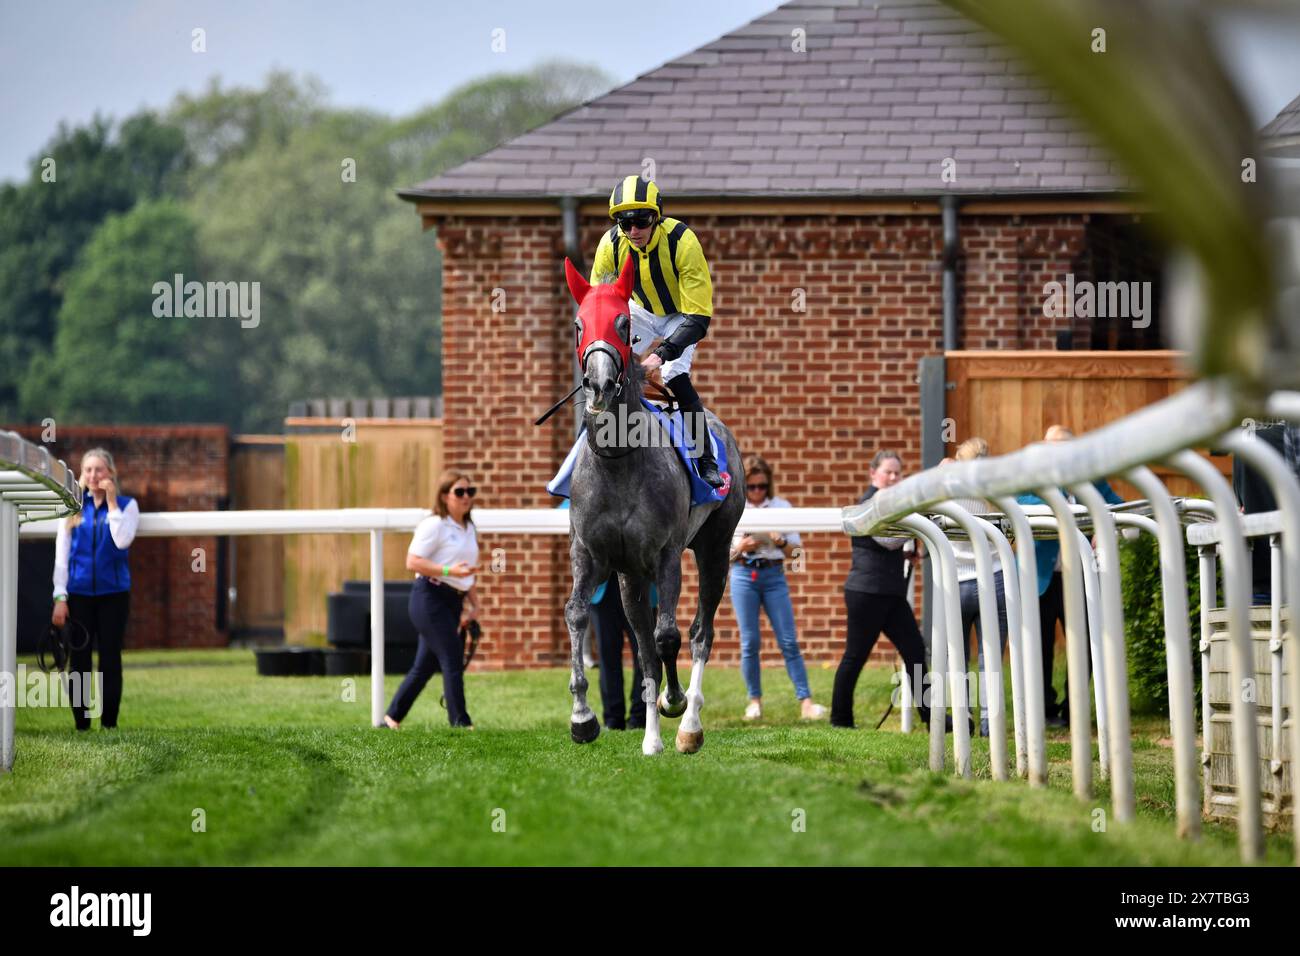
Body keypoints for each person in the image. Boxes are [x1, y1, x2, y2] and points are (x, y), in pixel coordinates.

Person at [586, 175, 723, 488]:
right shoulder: (610, 245)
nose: (634, 231)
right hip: (640, 311)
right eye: (625, 223)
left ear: (657, 217)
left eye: (642, 221)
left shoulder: (683, 242)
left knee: (674, 375)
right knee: (607, 366)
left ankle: (705, 459)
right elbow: (599, 305)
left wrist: (658, 356)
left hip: (682, 314)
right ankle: (594, 444)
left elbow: (698, 319)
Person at [1015, 425, 1122, 727]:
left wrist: (1104, 526)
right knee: (1039, 644)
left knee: (1085, 642)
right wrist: (1058, 503)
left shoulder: (1090, 476)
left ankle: (1074, 707)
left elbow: (1116, 504)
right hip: (1039, 574)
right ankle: (1044, 709)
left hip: (1080, 575)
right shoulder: (1031, 475)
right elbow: (1018, 502)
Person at [831, 450, 935, 730]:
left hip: (890, 594)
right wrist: (921, 527)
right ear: (873, 473)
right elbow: (887, 540)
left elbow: (890, 546)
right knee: (855, 656)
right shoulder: (869, 502)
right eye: (888, 471)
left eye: (897, 473)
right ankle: (840, 720)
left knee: (915, 651)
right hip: (867, 593)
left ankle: (931, 717)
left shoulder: (890, 503)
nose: (893, 477)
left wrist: (907, 553)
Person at [727, 454, 826, 721]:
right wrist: (741, 547)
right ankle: (754, 702)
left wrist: (780, 542)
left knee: (788, 640)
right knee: (750, 642)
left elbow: (797, 553)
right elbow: (722, 557)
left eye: (761, 486)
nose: (757, 492)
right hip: (743, 574)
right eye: (751, 487)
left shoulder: (782, 506)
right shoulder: (735, 506)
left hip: (773, 575)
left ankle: (806, 702)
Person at [384, 470, 480, 729]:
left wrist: (475, 604)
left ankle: (391, 718)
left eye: (470, 491)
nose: (466, 497)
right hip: (429, 597)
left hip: (454, 600)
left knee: (424, 667)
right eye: (459, 492)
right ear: (445, 496)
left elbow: (466, 571)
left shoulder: (469, 528)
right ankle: (460, 722)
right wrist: (448, 571)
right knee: (451, 656)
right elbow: (412, 562)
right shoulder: (435, 525)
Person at [52, 448, 139, 731]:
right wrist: (60, 595)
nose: (93, 475)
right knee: (79, 660)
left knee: (110, 658)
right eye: (88, 470)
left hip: (114, 595)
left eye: (99, 469)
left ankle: (109, 723)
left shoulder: (127, 506)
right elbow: (61, 556)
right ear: (82, 474)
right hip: (78, 595)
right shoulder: (72, 508)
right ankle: (82, 724)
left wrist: (111, 502)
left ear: (111, 473)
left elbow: (122, 540)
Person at [946, 438, 1009, 737]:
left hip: (956, 580)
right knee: (990, 659)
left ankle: (963, 719)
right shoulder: (998, 489)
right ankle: (989, 725)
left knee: (957, 658)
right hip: (993, 576)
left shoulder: (945, 488)